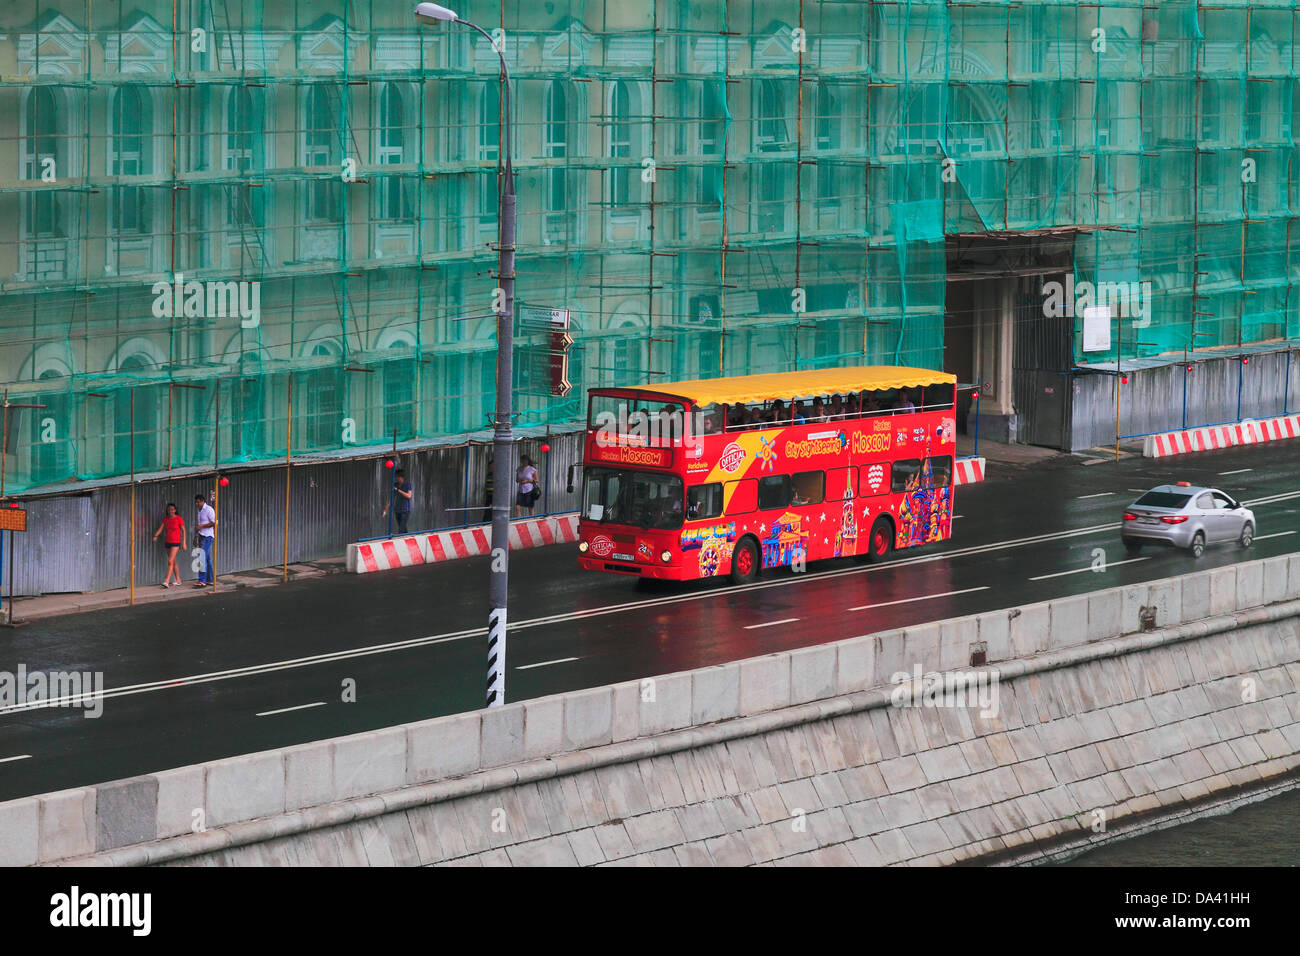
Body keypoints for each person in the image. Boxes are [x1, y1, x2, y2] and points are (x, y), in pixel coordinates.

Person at [152, 502, 186, 588]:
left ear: (175, 510)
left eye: (172, 509)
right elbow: (161, 528)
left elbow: (183, 530)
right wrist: (155, 536)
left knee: (170, 561)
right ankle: (178, 580)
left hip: (176, 542)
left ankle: (166, 581)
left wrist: (184, 543)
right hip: (168, 542)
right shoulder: (165, 519)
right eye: (169, 509)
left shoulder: (179, 519)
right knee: (173, 562)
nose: (170, 511)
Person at [193, 494, 215, 588]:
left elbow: (213, 523)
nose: (196, 503)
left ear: (202, 501)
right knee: (207, 558)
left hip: (208, 536)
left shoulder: (209, 509)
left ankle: (202, 580)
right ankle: (210, 579)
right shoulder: (199, 511)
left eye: (198, 502)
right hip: (201, 536)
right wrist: (195, 537)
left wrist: (201, 526)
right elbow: (199, 526)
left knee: (202, 557)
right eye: (196, 502)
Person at [383, 468, 414, 534]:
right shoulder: (395, 484)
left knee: (401, 529)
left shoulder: (408, 484)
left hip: (405, 510)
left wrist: (398, 490)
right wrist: (386, 508)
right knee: (403, 528)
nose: (396, 478)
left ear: (401, 477)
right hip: (397, 510)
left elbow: (409, 496)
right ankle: (407, 540)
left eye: (397, 477)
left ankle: (400, 539)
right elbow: (392, 497)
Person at [481, 457, 494, 524]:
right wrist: (484, 497)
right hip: (488, 495)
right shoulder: (488, 475)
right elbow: (486, 486)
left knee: (493, 510)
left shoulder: (498, 475)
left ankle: (492, 522)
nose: (491, 467)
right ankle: (485, 523)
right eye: (490, 466)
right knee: (487, 510)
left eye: (492, 466)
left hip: (494, 496)